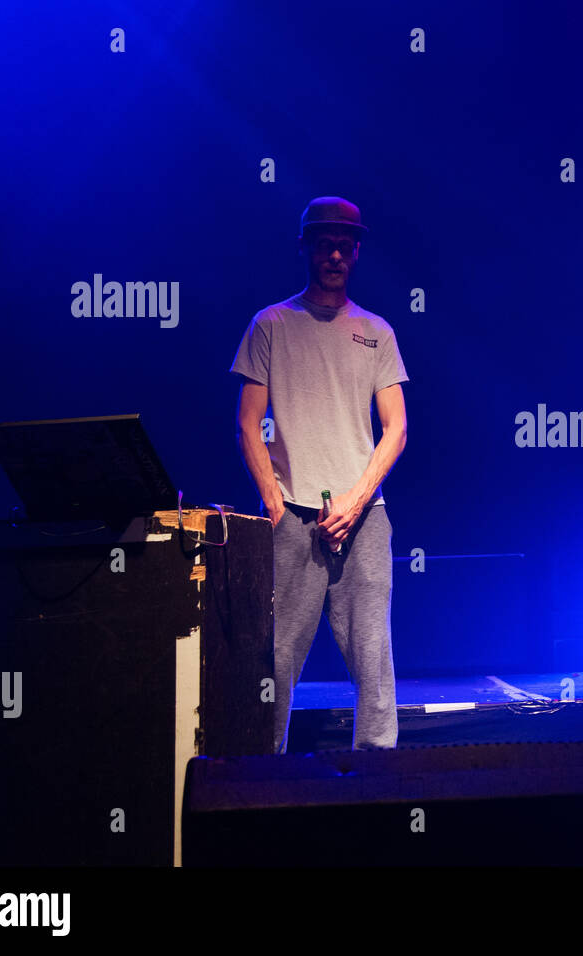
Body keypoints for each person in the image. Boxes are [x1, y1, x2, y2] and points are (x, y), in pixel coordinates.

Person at [231, 196, 408, 752]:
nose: (334, 252)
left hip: (363, 520)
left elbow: (397, 429)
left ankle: (380, 784)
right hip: (293, 518)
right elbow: (246, 423)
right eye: (323, 242)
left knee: (373, 659)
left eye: (344, 243)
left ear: (357, 251)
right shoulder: (271, 324)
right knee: (277, 659)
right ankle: (261, 781)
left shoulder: (377, 331)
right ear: (304, 245)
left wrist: (356, 503)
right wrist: (275, 504)